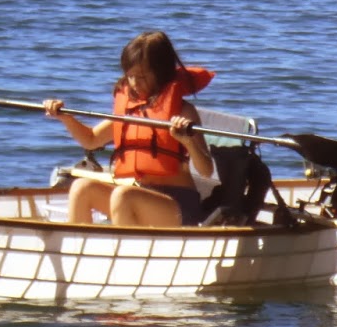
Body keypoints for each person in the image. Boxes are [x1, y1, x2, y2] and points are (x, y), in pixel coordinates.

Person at [44, 31, 215, 227]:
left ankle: (125, 253)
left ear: (161, 72)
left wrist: (187, 140)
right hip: (138, 195)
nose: (134, 83)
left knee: (123, 195)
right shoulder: (131, 111)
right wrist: (65, 117)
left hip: (178, 206)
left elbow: (206, 170)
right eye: (130, 76)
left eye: (141, 77)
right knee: (81, 188)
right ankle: (78, 250)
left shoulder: (184, 111)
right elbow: (90, 139)